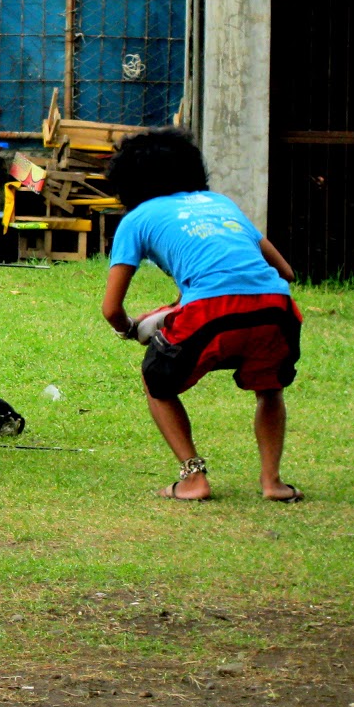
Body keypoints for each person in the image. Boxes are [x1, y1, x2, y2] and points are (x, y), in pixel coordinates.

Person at [100, 128, 304, 503]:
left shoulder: (137, 219)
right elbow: (286, 273)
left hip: (210, 312)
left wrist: (131, 329)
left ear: (126, 182)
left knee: (157, 382)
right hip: (277, 309)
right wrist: (180, 305)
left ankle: (194, 479)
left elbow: (111, 309)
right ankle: (273, 483)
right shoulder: (221, 204)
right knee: (270, 388)